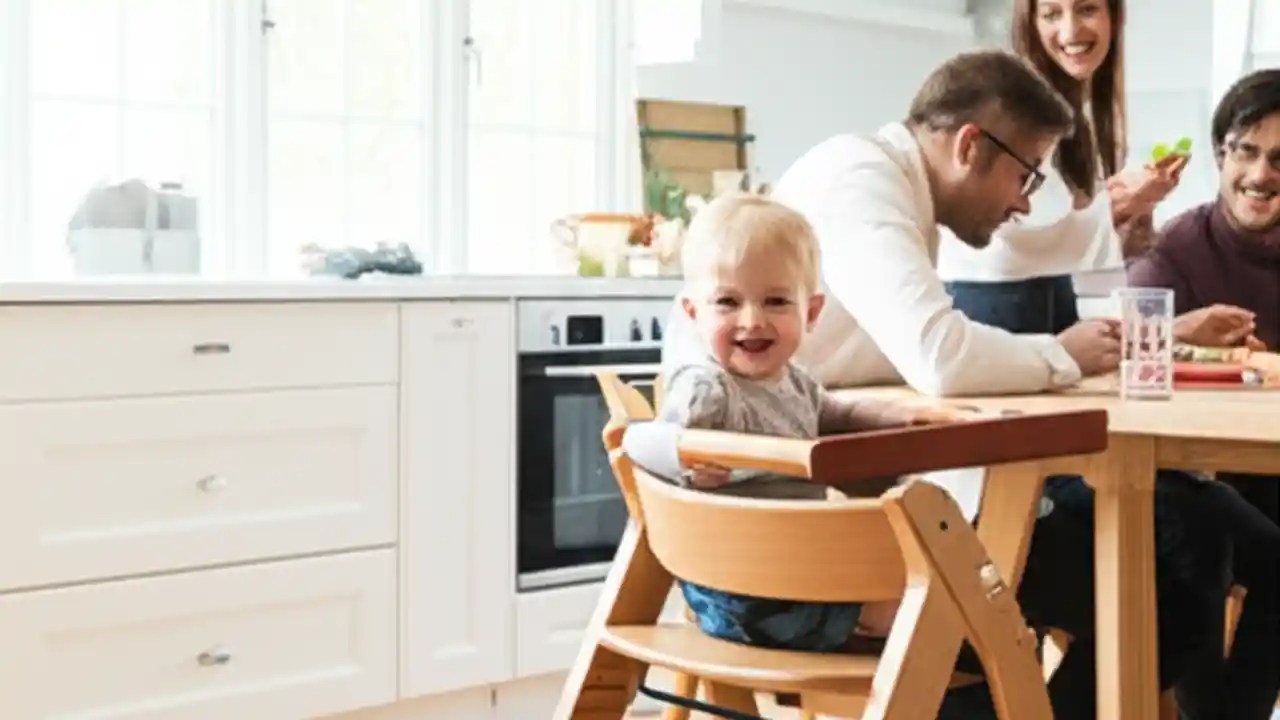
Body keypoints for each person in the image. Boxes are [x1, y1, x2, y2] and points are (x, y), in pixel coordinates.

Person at [657, 49, 1223, 719]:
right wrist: (1062, 353)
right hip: (775, 567)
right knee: (1155, 582)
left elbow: (836, 392)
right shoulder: (861, 183)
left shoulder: (886, 189)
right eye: (1026, 174)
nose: (1022, 199)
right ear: (970, 147)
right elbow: (939, 357)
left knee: (1150, 568)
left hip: (779, 545)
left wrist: (891, 418)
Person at [625, 192, 967, 658]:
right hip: (743, 591)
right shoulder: (707, 390)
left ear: (811, 314)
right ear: (693, 313)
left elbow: (834, 415)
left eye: (776, 301)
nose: (752, 320)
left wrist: (896, 415)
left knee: (935, 593)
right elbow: (634, 441)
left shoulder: (795, 383)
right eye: (727, 302)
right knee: (939, 610)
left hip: (791, 576)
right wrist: (684, 459)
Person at [937, 0, 1249, 346]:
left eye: (1086, 9)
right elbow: (994, 236)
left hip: (1060, 304)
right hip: (990, 304)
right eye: (1052, 14)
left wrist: (1129, 223)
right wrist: (1114, 208)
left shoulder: (1099, 120)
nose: (1070, 32)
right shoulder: (1007, 108)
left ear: (1114, 16)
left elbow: (1085, 264)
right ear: (1031, 23)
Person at [1129, 68, 1280, 720]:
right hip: (1189, 467)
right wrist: (1185, 334)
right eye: (1246, 150)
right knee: (1201, 545)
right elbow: (1126, 343)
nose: (1260, 173)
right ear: (1219, 154)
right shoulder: (1179, 245)